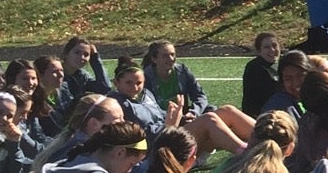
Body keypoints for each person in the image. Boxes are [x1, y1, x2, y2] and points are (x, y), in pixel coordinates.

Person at [112, 56, 246, 161]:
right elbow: (142, 133)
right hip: (157, 147)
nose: (135, 87)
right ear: (116, 83)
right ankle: (246, 153)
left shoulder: (146, 94)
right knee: (208, 119)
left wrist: (182, 117)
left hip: (170, 132)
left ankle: (263, 137)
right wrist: (170, 124)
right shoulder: (118, 103)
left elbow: (160, 114)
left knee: (226, 111)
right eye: (128, 83)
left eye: (139, 83)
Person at [145, 39, 256, 142]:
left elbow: (200, 96)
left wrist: (193, 112)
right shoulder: (145, 79)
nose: (171, 59)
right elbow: (149, 111)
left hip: (187, 119)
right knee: (210, 120)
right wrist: (178, 117)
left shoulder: (182, 71)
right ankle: (236, 148)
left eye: (172, 54)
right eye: (165, 56)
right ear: (154, 59)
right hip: (166, 126)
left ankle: (264, 135)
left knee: (224, 110)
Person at [58, 36, 110, 108]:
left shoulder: (82, 76)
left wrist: (95, 59)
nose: (82, 57)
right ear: (66, 53)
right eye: (77, 52)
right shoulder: (54, 72)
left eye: (86, 55)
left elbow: (104, 88)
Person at [241, 31, 283, 116]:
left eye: (275, 45)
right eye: (267, 47)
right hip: (260, 116)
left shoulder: (283, 63)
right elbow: (271, 94)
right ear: (259, 51)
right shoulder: (255, 68)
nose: (272, 50)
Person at [261, 48, 310, 117]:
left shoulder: (317, 98)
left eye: (300, 75)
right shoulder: (279, 106)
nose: (296, 83)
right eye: (288, 78)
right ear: (282, 82)